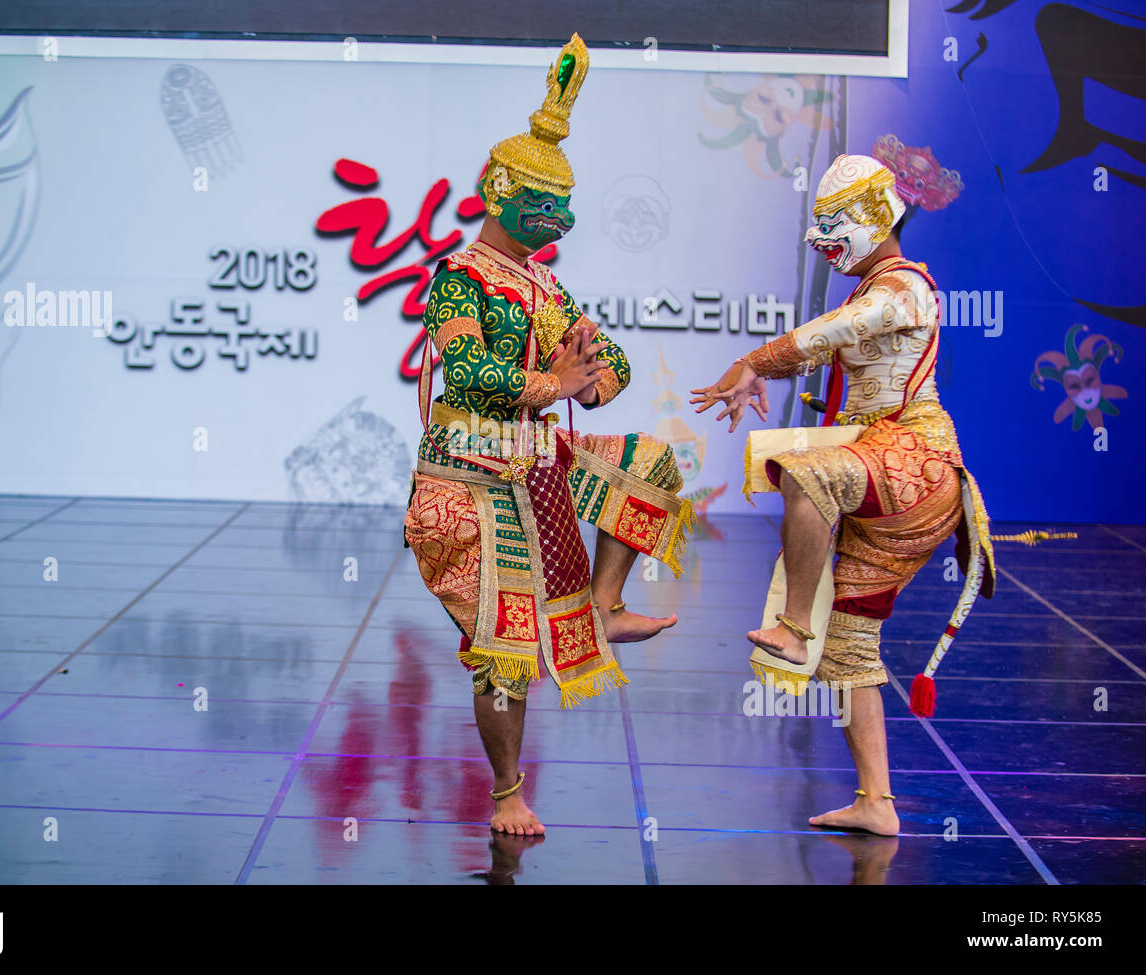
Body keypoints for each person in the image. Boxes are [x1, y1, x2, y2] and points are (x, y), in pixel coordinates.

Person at [404, 34, 694, 836]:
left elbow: (615, 360)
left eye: (563, 204)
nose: (558, 216)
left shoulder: (543, 283)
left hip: (538, 467)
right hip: (465, 483)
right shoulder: (460, 278)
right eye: (543, 199)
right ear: (499, 191)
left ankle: (603, 605)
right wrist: (552, 384)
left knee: (651, 461)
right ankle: (506, 793)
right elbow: (463, 373)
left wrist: (592, 381)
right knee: (506, 645)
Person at [690, 154, 994, 836]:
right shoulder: (870, 292)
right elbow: (824, 346)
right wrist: (758, 375)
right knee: (851, 648)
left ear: (876, 220)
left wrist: (749, 364)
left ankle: (794, 628)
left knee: (810, 471)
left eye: (834, 227)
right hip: (888, 467)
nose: (823, 244)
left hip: (914, 457)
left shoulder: (906, 288)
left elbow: (826, 336)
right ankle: (877, 802)